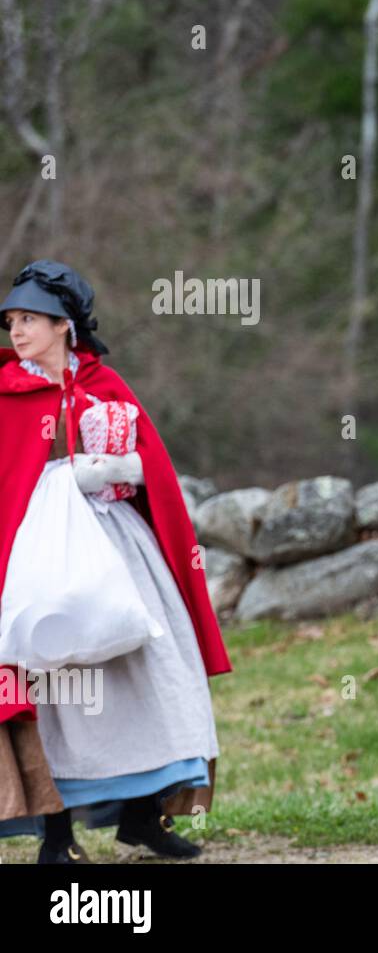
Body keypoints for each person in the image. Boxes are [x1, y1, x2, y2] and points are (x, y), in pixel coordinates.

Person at [0, 260, 230, 863]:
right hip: (39, 562)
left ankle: (143, 819)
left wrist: (117, 472)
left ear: (64, 325)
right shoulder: (8, 395)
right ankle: (56, 836)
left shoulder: (105, 385)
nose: (16, 331)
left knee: (150, 673)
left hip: (119, 550)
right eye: (12, 321)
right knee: (52, 691)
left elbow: (150, 467)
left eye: (29, 319)